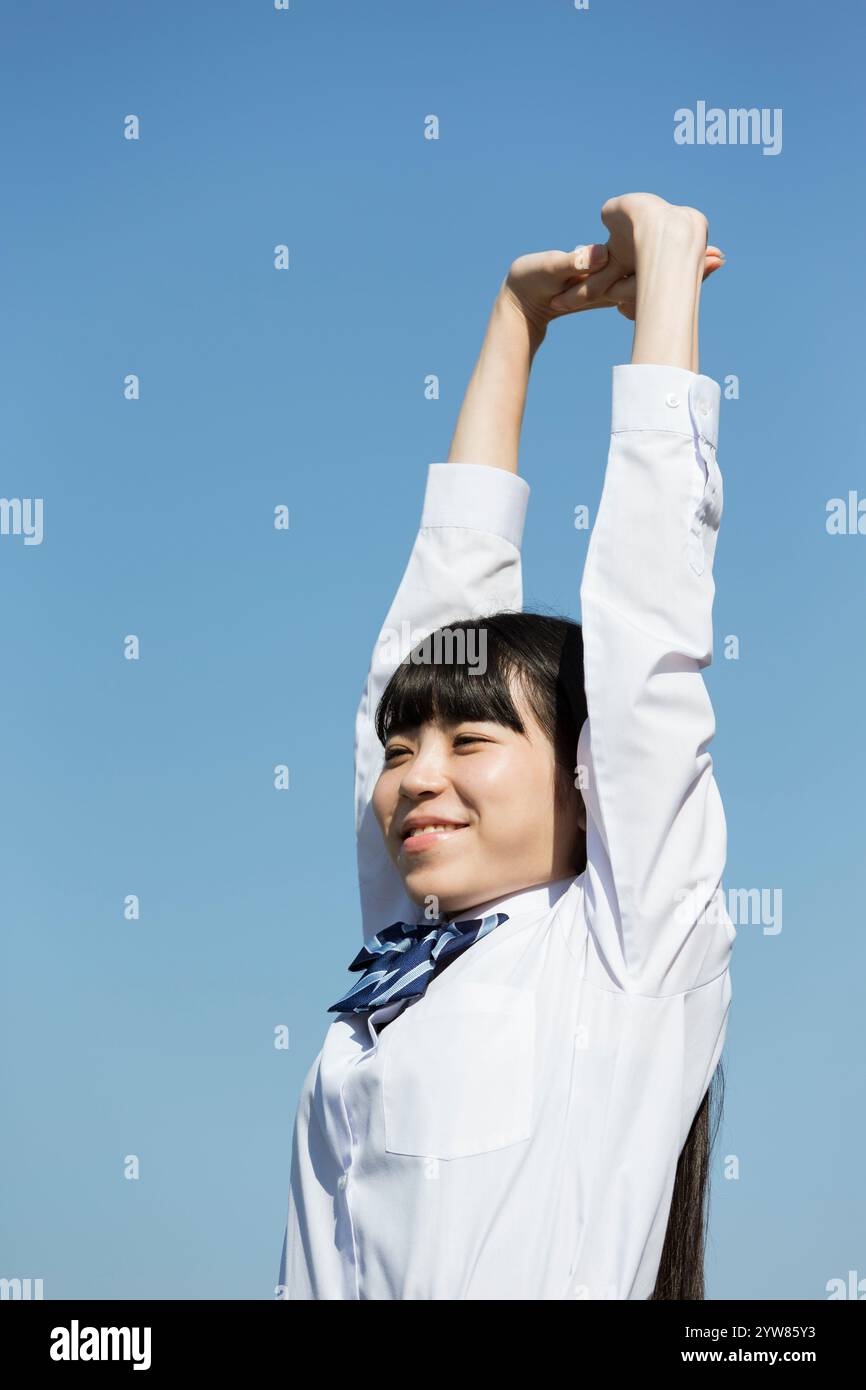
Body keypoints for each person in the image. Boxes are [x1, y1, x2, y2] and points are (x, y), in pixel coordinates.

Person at [276, 192, 735, 1300]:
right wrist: (514, 324)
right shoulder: (402, 962)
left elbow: (647, 632)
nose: (414, 775)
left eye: (469, 738)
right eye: (400, 749)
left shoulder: (624, 952)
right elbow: (431, 620)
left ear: (585, 782)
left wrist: (664, 290)